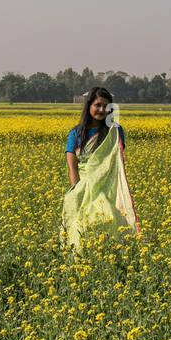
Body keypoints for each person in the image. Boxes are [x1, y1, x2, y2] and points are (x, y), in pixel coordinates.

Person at [61, 86, 139, 250]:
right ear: (89, 105)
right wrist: (77, 191)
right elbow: (72, 166)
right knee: (81, 227)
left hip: (108, 187)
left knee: (108, 221)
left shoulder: (115, 131)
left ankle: (111, 256)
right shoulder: (76, 133)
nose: (102, 109)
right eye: (98, 105)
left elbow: (118, 161)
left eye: (106, 106)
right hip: (83, 187)